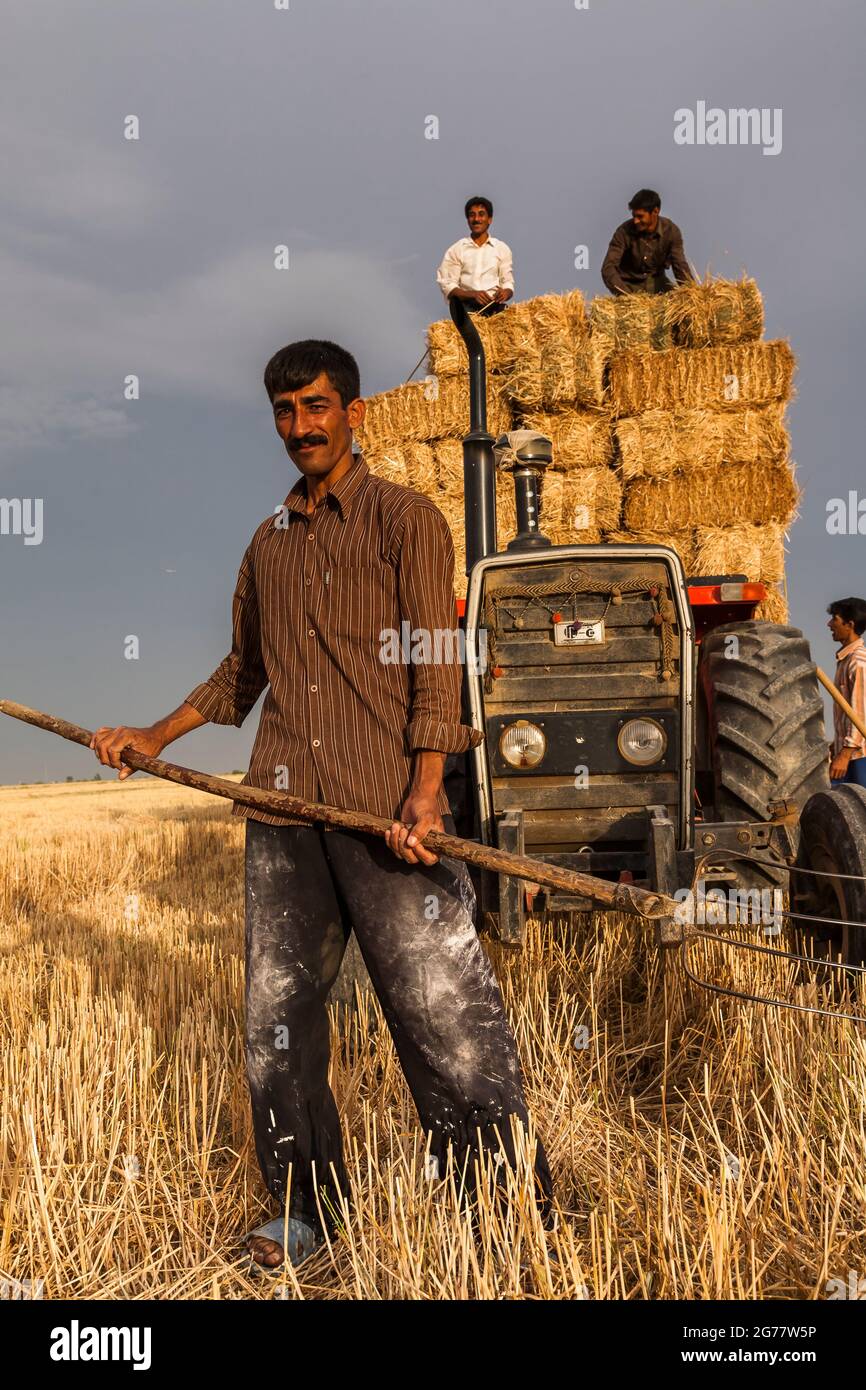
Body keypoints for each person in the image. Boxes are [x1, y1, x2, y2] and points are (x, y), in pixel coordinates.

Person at [89, 339, 554, 1270]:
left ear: (354, 412)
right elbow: (244, 670)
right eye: (285, 412)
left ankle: (504, 1211)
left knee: (442, 1014)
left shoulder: (404, 520)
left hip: (387, 813)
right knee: (277, 1023)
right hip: (283, 817)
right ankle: (304, 1210)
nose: (301, 427)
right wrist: (155, 734)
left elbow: (435, 660)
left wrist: (427, 791)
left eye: (316, 407)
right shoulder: (270, 543)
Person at [601, 188, 694, 296]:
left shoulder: (671, 232)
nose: (636, 221)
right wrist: (626, 296)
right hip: (629, 286)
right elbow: (608, 268)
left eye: (640, 216)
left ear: (655, 211)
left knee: (679, 306)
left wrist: (692, 294)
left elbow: (679, 266)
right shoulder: (623, 232)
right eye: (634, 216)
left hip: (658, 284)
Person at [436, 196, 514, 315]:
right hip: (466, 310)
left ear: (490, 219)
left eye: (481, 214)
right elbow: (447, 285)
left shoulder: (501, 249)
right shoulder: (457, 249)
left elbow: (508, 282)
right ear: (467, 220)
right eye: (472, 215)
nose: (476, 219)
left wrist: (505, 292)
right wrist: (472, 295)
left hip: (494, 308)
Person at [827, 597, 866, 787]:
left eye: (834, 619)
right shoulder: (845, 660)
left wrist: (845, 753)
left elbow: (860, 713)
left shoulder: (858, 662)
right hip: (848, 754)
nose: (829, 624)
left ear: (849, 624)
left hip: (858, 758)